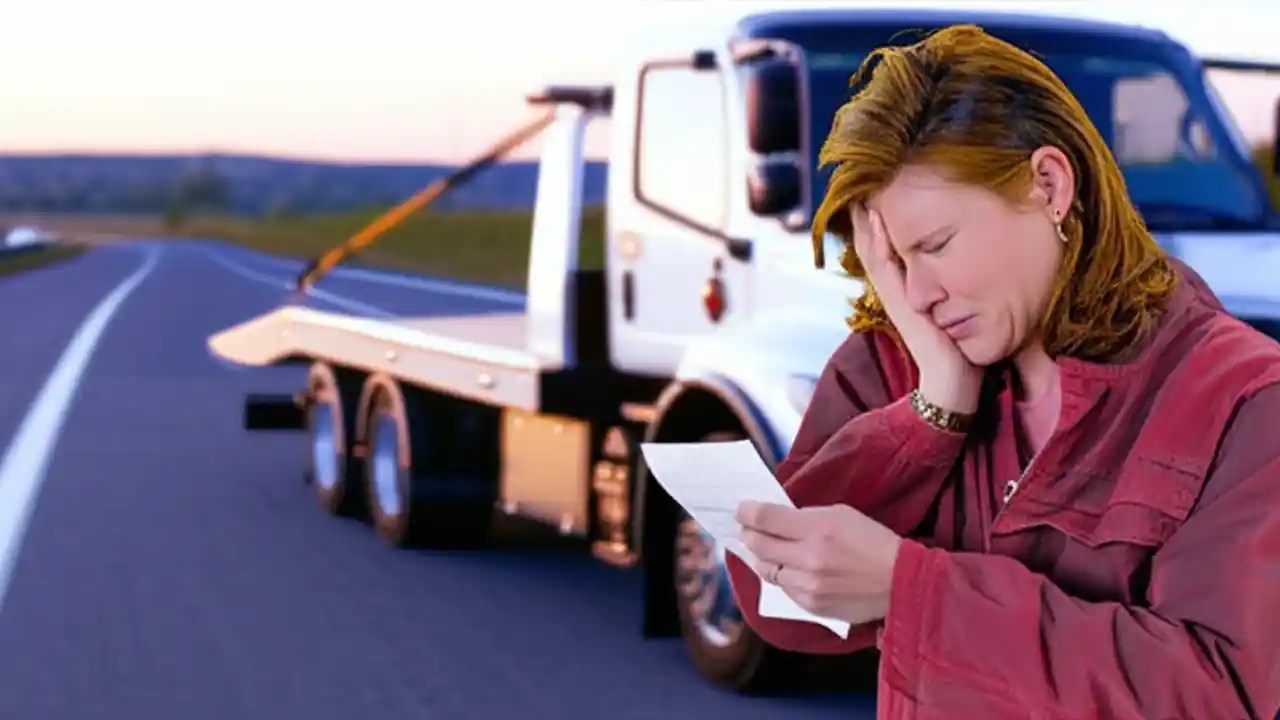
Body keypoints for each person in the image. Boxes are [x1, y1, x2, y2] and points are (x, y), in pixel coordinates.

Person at [723, 23, 1280, 720]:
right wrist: (933, 413)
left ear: (1049, 185)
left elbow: (1211, 692)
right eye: (894, 261)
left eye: (937, 244)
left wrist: (912, 592)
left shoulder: (1244, 398)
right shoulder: (899, 358)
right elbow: (776, 607)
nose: (917, 294)